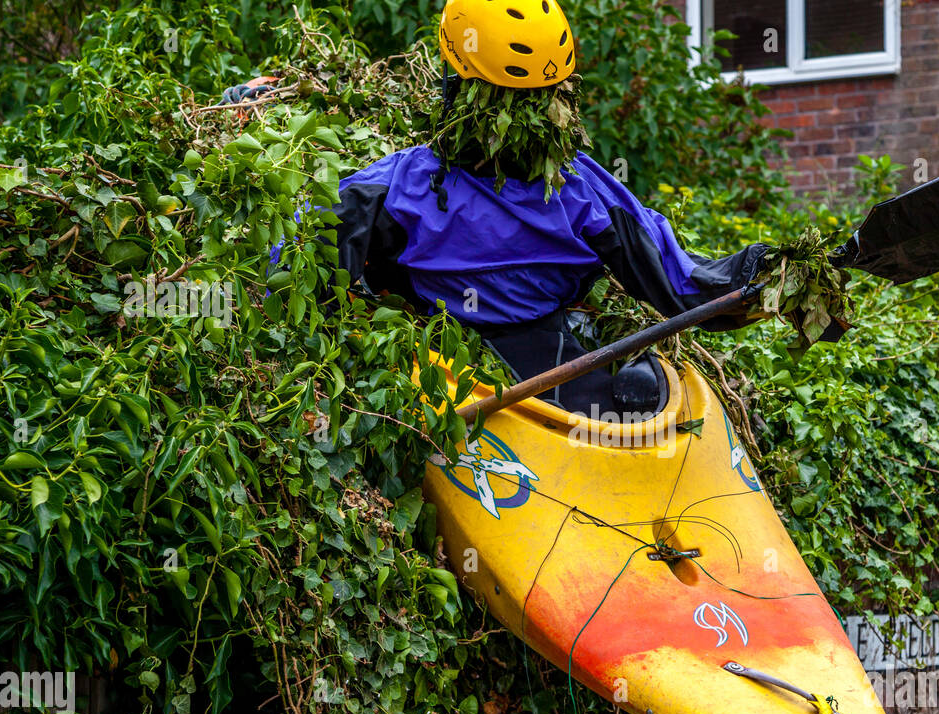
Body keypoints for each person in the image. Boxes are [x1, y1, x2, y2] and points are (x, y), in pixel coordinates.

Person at [232, 0, 774, 418]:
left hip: (450, 373)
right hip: (520, 372)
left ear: (455, 88)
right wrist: (763, 274)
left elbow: (295, 275)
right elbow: (685, 282)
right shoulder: (584, 190)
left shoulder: (393, 187)